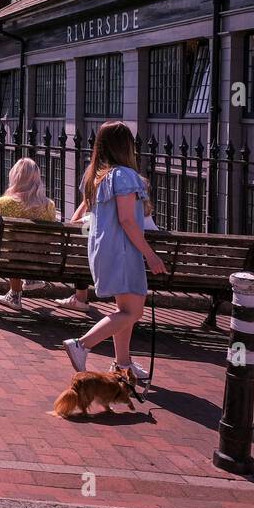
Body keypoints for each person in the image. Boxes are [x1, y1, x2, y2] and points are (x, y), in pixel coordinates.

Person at [61, 121, 165, 381]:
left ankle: (123, 363)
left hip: (103, 249)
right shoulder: (125, 176)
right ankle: (81, 344)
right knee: (133, 311)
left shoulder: (96, 176)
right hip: (123, 251)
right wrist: (150, 254)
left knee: (124, 310)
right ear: (125, 146)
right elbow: (128, 220)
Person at [57, 186, 159, 314]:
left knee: (82, 255)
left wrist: (85, 201)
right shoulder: (148, 220)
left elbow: (73, 223)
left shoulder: (108, 217)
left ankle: (81, 299)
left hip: (123, 273)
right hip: (154, 273)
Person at [0, 157, 56, 313]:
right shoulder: (49, 205)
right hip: (40, 259)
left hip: (11, 260)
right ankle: (31, 277)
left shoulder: (3, 203)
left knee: (12, 246)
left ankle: (15, 295)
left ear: (15, 177)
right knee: (25, 247)